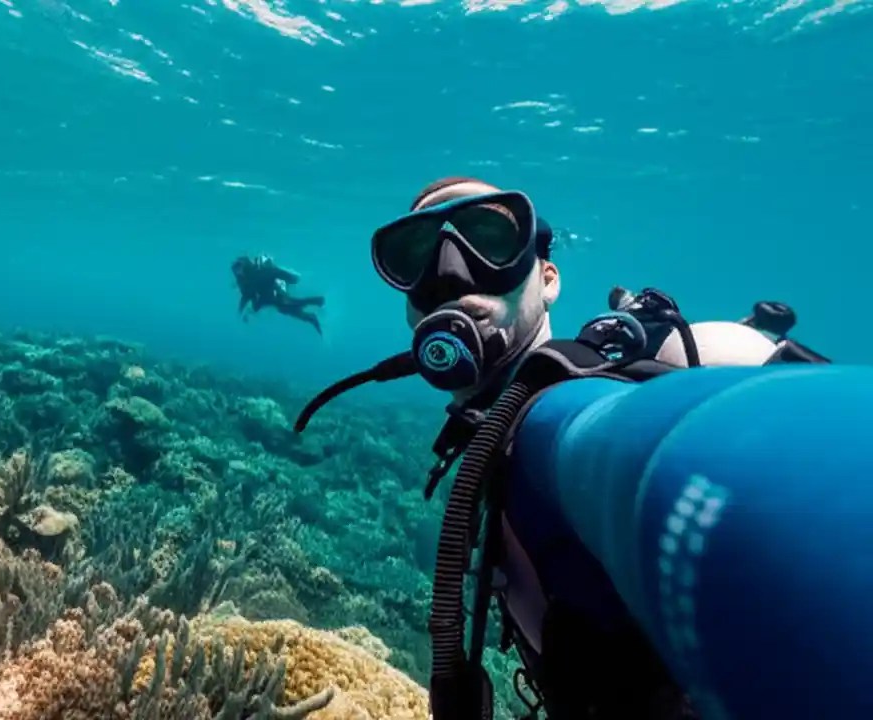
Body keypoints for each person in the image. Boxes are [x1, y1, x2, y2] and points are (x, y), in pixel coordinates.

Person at [292, 176, 830, 720]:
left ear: (548, 278)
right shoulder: (490, 447)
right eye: (415, 255)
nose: (451, 273)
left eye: (489, 238)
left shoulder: (587, 410)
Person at [231, 254, 325, 334]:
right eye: (236, 269)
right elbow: (246, 296)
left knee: (286, 304)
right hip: (266, 298)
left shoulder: (260, 273)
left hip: (274, 293)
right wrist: (241, 311)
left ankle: (318, 302)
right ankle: (313, 314)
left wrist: (291, 278)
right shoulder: (243, 281)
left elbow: (275, 272)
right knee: (285, 308)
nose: (238, 272)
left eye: (239, 268)